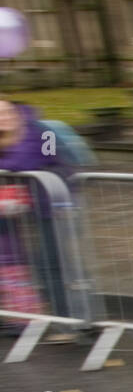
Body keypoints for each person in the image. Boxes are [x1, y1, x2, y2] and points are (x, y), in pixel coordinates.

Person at [0, 99, 73, 325]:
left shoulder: (41, 133)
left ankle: (68, 320)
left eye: (6, 112)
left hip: (53, 205)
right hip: (20, 208)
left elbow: (42, 162)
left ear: (16, 112)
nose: (4, 118)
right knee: (14, 260)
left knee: (49, 264)